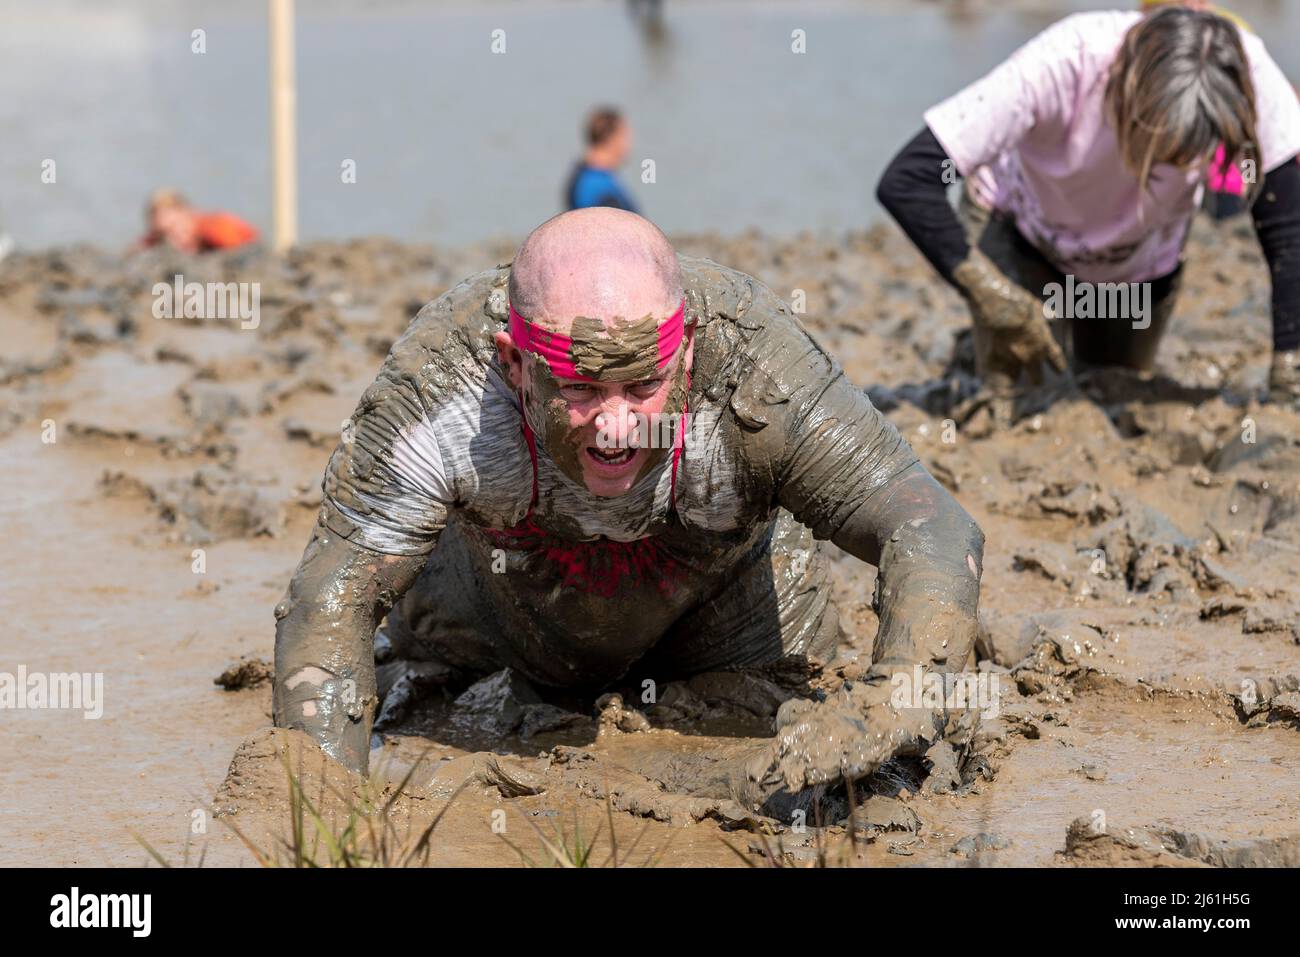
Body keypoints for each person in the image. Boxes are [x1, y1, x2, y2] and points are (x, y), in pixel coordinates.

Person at [272, 208, 984, 801]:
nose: (616, 427)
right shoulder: (444, 388)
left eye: (642, 385)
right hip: (485, 629)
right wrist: (324, 805)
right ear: (514, 365)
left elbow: (930, 524)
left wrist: (904, 692)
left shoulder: (755, 366)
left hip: (727, 630)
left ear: (686, 351)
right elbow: (330, 597)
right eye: (578, 389)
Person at [876, 6, 1300, 410]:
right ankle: (982, 344)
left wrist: (1289, 371)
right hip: (1021, 230)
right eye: (1160, 150)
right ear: (1127, 89)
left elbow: (1288, 228)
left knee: (1115, 390)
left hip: (1140, 261)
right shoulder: (1066, 60)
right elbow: (910, 181)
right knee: (1024, 403)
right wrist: (993, 296)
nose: (1173, 167)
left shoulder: (1247, 74)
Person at [134, 189, 259, 253]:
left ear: (189, 215)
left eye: (177, 227)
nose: (174, 239)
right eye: (164, 234)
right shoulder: (156, 242)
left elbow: (248, 247)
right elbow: (139, 249)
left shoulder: (217, 231)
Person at [564, 108, 641, 213]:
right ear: (613, 139)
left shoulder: (585, 174)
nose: (629, 146)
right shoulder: (593, 183)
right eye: (625, 138)